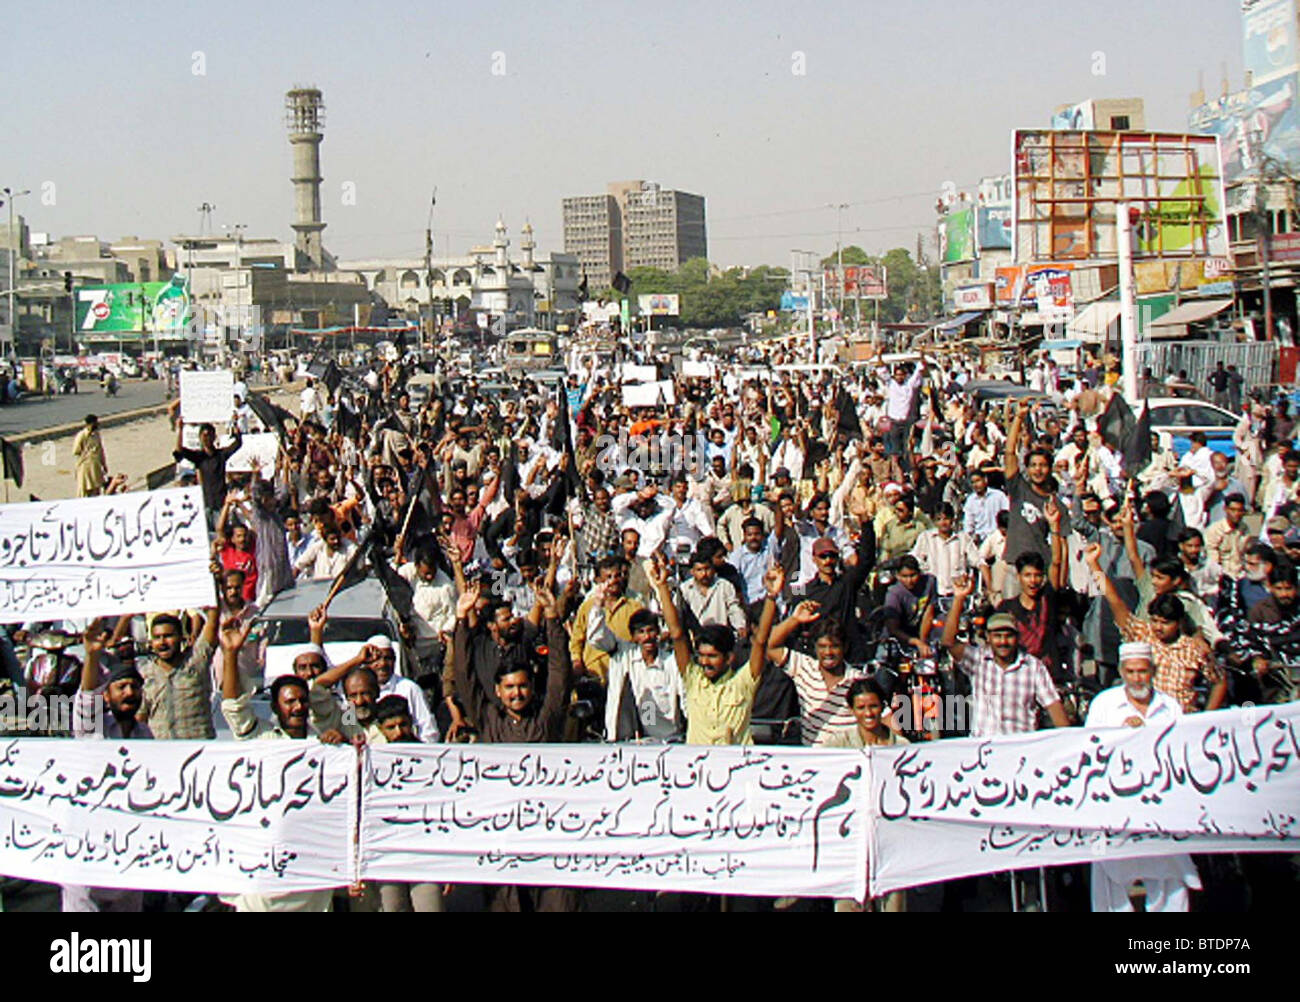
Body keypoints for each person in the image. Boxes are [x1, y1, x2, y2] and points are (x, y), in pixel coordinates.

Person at [453, 582, 576, 911]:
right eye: (509, 688)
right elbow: (465, 679)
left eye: (522, 687)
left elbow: (560, 675)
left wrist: (552, 617)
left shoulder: (546, 719)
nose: (517, 694)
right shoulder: (489, 719)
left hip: (549, 831)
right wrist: (462, 621)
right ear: (499, 690)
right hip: (503, 833)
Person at [217, 615, 344, 912]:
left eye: (302, 700)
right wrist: (231, 654)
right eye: (290, 702)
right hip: (265, 860)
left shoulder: (324, 738)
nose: (298, 706)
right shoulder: (261, 738)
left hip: (310, 860)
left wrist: (340, 745)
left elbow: (327, 693)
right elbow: (234, 705)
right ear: (276, 707)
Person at [1085, 642, 1201, 913]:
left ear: (1153, 671)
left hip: (1159, 797)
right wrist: (1121, 733)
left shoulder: (1168, 706)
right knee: (1111, 868)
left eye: (1143, 671)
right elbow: (1089, 749)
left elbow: (1181, 748)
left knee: (1169, 866)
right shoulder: (1105, 705)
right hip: (1116, 799)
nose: (1138, 678)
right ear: (1122, 672)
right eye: (1132, 672)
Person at [61, 618, 152, 913]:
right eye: (121, 687)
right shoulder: (95, 730)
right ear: (108, 695)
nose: (129, 693)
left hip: (127, 849)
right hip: (86, 848)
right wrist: (91, 655)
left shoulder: (145, 737)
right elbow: (87, 700)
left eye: (134, 688)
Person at [1086, 544, 1226, 713]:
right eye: (1155, 621)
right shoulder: (1142, 634)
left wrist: (1205, 715)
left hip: (1182, 720)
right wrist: (1094, 564)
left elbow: (1219, 682)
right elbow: (1113, 598)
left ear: (1178, 623)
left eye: (1165, 623)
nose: (1158, 628)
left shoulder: (1194, 649)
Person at [940, 574, 1071, 736]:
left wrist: (1069, 741)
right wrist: (959, 599)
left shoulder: (1033, 667)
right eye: (997, 636)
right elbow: (948, 642)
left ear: (1017, 637)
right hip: (984, 746)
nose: (1003, 642)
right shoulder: (978, 661)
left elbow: (1053, 706)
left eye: (1008, 636)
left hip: (1019, 748)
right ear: (988, 638)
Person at [72, 414, 107, 497]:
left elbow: (101, 450)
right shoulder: (81, 435)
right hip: (84, 467)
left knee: (96, 490)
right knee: (84, 490)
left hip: (96, 467)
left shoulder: (97, 435)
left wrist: (104, 464)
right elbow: (76, 451)